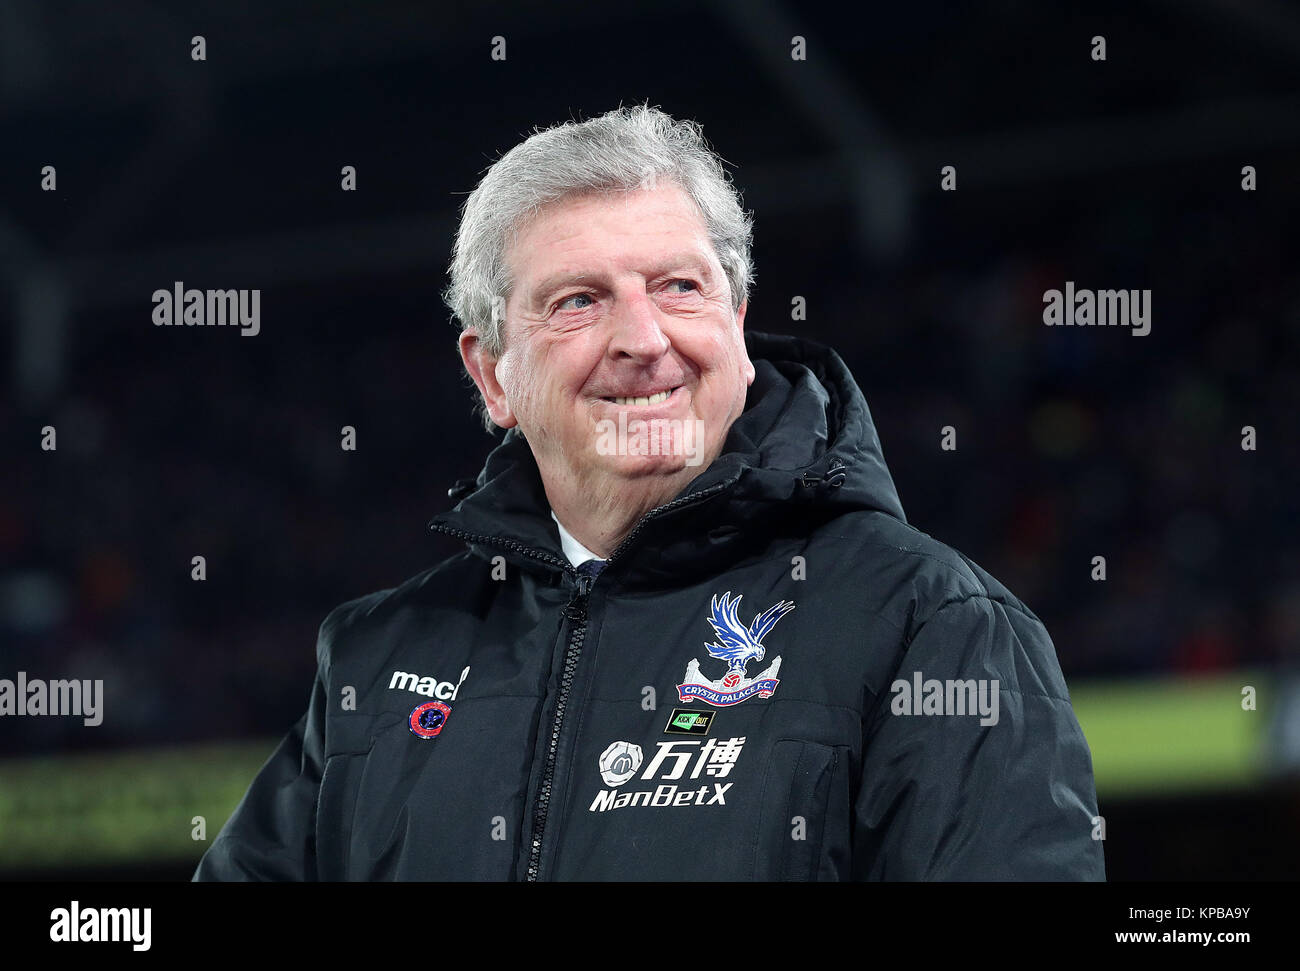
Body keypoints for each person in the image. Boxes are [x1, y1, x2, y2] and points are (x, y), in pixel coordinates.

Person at [193, 104, 1105, 881]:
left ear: (738, 327)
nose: (643, 336)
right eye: (579, 300)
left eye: (679, 286)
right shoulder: (376, 657)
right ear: (492, 375)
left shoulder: (932, 626)